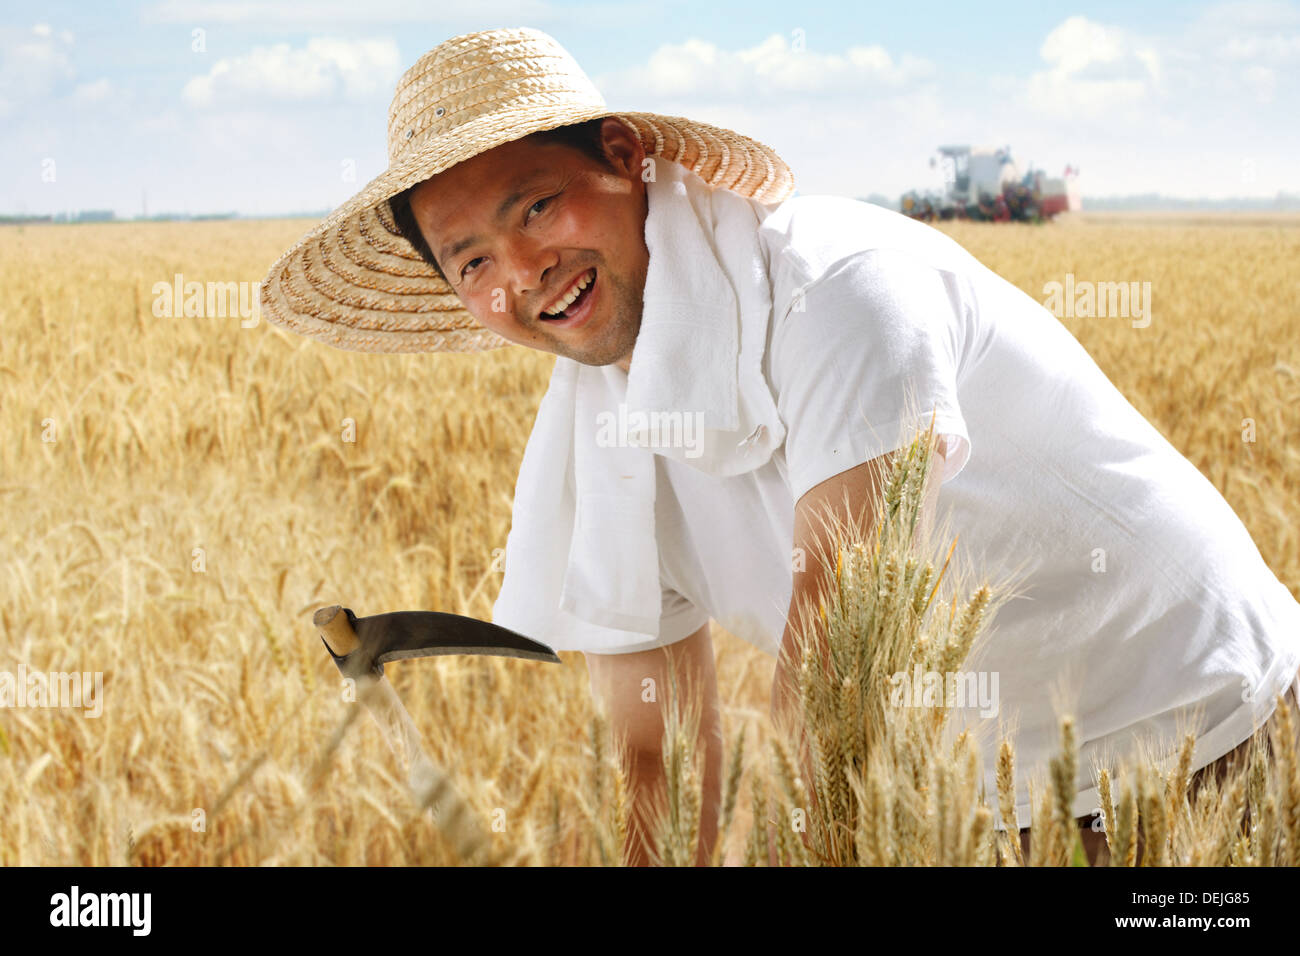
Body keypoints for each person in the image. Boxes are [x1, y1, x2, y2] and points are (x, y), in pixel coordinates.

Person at [261, 27, 1300, 867]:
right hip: (995, 784)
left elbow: (840, 647)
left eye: (537, 205)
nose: (522, 272)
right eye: (472, 259)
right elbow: (654, 750)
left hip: (1205, 714)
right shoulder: (599, 427)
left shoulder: (837, 289)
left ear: (624, 159)